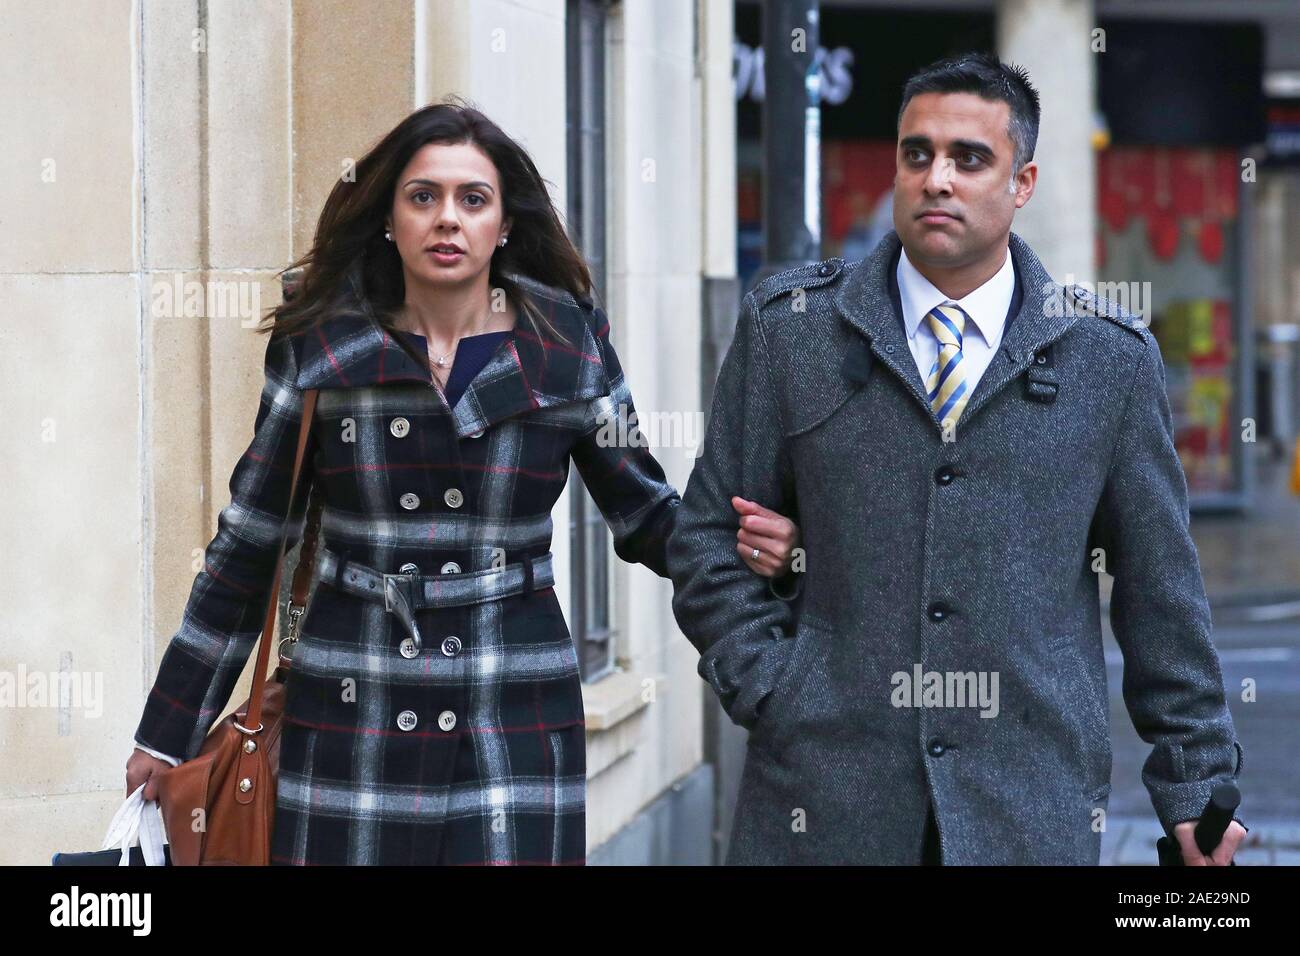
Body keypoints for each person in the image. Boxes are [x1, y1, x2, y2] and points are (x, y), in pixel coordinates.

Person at [126, 99, 803, 865]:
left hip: (511, 712)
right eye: (424, 197)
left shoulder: (568, 346)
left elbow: (645, 514)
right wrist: (167, 730)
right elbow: (249, 545)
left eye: (472, 200)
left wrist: (761, 558)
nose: (447, 219)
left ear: (504, 224)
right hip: (353, 711)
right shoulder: (322, 347)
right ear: (388, 218)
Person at [667, 53, 1246, 865]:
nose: (937, 178)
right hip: (827, 800)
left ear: (1023, 183)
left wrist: (1193, 787)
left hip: (1028, 807)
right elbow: (703, 542)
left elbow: (1161, 597)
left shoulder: (1106, 360)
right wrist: (778, 688)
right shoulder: (789, 330)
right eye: (917, 153)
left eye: (969, 158)